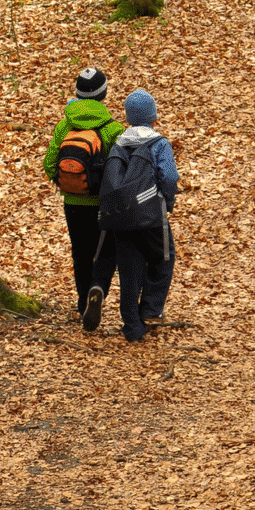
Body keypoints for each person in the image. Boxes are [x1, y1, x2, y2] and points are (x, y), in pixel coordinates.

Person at [42, 68, 125, 330]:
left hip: (73, 202)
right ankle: (98, 288)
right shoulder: (113, 128)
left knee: (80, 252)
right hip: (103, 204)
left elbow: (49, 164)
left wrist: (66, 184)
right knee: (107, 250)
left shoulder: (65, 125)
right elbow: (121, 169)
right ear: (104, 93)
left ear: (77, 92)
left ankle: (82, 306)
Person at [108, 90, 180, 342]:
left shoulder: (119, 143)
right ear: (153, 116)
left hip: (120, 216)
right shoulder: (159, 143)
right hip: (151, 215)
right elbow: (169, 177)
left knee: (129, 269)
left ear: (128, 117)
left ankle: (132, 327)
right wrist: (167, 201)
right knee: (163, 258)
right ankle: (150, 310)